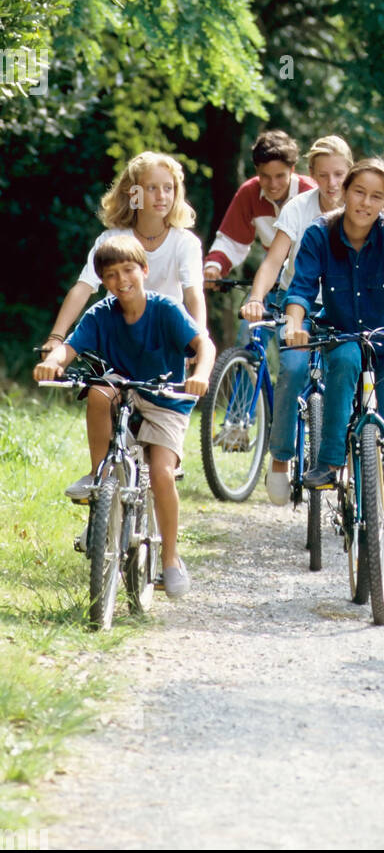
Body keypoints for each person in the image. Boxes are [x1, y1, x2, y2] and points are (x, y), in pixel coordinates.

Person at [285, 159, 384, 577]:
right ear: (345, 192)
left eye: (378, 196)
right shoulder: (320, 233)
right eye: (360, 192)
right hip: (341, 335)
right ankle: (331, 458)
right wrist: (295, 323)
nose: (367, 202)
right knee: (344, 359)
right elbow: (302, 286)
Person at [34, 237, 216, 599]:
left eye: (129, 270)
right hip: (123, 392)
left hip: (166, 399)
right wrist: (51, 363)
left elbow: (203, 345)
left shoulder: (165, 309)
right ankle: (100, 480)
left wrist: (202, 374)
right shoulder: (101, 314)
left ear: (144, 271)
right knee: (99, 390)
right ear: (103, 282)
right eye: (111, 275)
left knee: (162, 474)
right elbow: (68, 348)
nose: (122, 280)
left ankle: (170, 558)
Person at [240, 135, 354, 503]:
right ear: (310, 175)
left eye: (340, 174)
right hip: (298, 304)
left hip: (345, 308)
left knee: (350, 368)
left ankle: (347, 458)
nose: (333, 183)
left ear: (350, 173)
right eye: (324, 175)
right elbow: (274, 260)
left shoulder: (362, 206)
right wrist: (257, 297)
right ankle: (280, 458)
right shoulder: (297, 208)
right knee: (291, 368)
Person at [41, 152, 206, 359]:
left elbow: (193, 293)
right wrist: (56, 337)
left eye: (168, 188)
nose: (162, 196)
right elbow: (84, 286)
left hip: (165, 341)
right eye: (151, 188)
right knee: (101, 391)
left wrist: (199, 341)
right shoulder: (111, 239)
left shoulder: (185, 242)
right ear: (133, 193)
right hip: (119, 337)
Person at [203, 129, 316, 286]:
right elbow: (232, 239)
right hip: (273, 267)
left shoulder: (310, 193)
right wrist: (215, 265)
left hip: (310, 270)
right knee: (251, 308)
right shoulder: (249, 193)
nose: (273, 185)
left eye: (280, 176)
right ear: (257, 171)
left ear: (292, 170)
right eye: (265, 176)